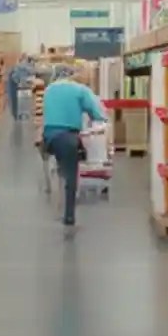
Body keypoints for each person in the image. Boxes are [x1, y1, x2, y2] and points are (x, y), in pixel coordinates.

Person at [39, 65, 107, 227]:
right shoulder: (80, 90)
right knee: (71, 174)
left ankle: (57, 190)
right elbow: (97, 114)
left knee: (61, 164)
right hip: (68, 137)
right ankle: (69, 215)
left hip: (48, 138)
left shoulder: (49, 90)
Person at [6, 56, 33, 122]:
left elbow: (15, 77)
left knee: (15, 101)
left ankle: (16, 115)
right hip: (19, 86)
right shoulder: (23, 67)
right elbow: (16, 77)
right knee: (21, 101)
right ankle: (19, 115)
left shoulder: (18, 67)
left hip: (17, 86)